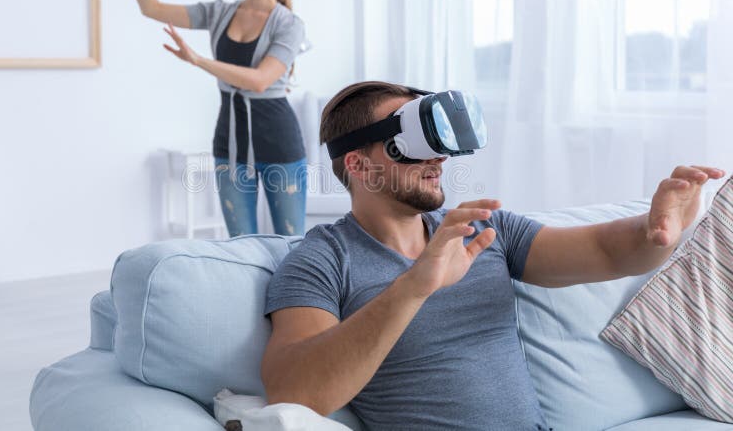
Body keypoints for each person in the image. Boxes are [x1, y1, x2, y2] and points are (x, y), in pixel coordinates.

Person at [260, 80, 726, 430]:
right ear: (359, 165)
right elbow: (294, 392)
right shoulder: (320, 260)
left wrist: (656, 229)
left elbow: (606, 252)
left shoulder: (483, 228)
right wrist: (414, 286)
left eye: (439, 144)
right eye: (414, 145)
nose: (439, 159)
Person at [122, 0, 308, 237]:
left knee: (291, 243)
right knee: (241, 245)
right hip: (229, 145)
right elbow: (152, 9)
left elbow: (260, 80)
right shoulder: (219, 12)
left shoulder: (289, 25)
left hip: (279, 144)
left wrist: (197, 60)